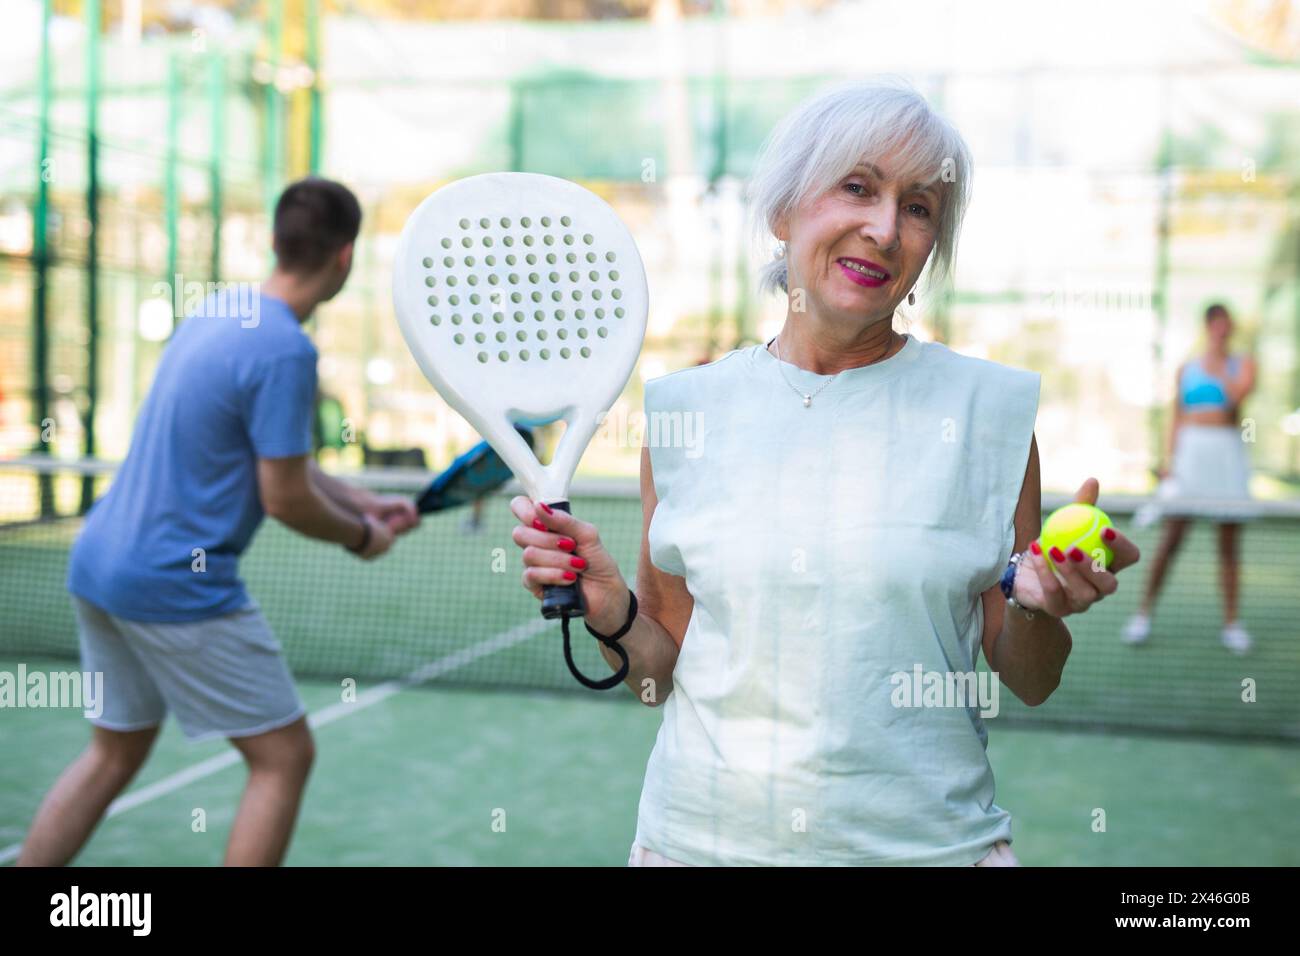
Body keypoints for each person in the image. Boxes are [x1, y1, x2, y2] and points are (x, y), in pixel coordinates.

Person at [511, 79, 1141, 866]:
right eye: (858, 187)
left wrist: (1040, 610)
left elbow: (1030, 679)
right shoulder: (684, 410)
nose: (884, 228)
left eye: (918, 207)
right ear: (783, 211)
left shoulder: (991, 412)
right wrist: (611, 610)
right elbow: (655, 676)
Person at [17, 177, 419, 866]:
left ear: (273, 241)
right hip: (172, 583)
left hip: (98, 564)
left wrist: (359, 501)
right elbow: (284, 497)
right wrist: (362, 538)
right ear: (345, 258)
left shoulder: (222, 310)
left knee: (113, 752)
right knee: (283, 758)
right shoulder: (287, 350)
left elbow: (280, 463)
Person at [1124, 303, 1257, 653]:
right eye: (1216, 326)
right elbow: (1177, 418)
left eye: (1227, 327)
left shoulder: (1242, 364)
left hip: (1227, 455)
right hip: (1191, 457)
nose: (1221, 332)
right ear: (1208, 326)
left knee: (1229, 546)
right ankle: (1142, 615)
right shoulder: (1186, 368)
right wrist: (1170, 461)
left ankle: (1232, 623)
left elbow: (1234, 400)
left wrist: (1218, 363)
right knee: (1171, 539)